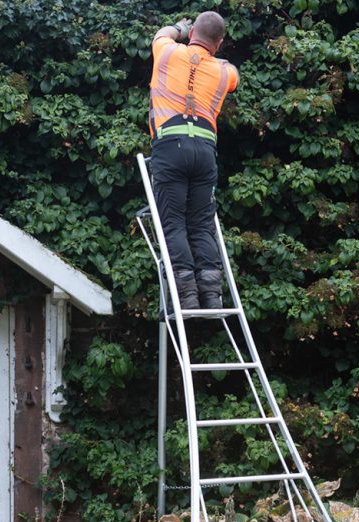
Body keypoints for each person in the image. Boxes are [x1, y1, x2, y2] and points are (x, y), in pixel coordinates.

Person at [148, 11, 239, 310]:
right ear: (220, 42)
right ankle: (212, 297)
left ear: (190, 34)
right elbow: (231, 78)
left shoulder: (166, 51)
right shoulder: (226, 72)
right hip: (204, 151)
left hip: (170, 148)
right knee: (201, 225)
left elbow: (162, 34)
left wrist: (178, 27)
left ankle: (186, 296)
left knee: (173, 222)